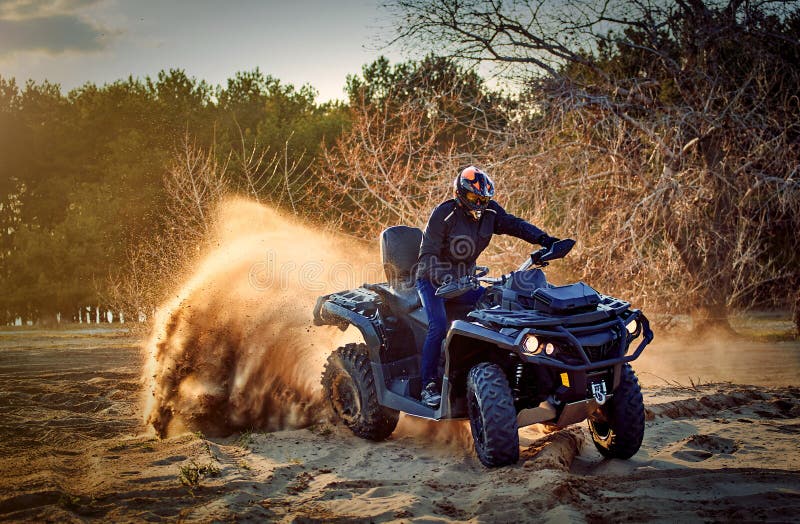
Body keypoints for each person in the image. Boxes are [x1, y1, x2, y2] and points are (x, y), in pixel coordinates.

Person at [415, 166, 559, 408]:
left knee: (496, 307)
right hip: (432, 281)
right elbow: (426, 255)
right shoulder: (444, 214)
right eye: (474, 198)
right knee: (438, 325)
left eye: (484, 199)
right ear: (460, 194)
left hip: (465, 282)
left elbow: (515, 224)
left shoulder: (489, 211)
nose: (480, 203)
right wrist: (444, 277)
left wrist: (545, 240)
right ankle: (427, 386)